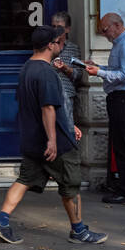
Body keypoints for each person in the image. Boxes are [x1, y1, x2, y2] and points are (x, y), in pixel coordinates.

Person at [0, 26, 107, 246]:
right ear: (50, 45)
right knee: (71, 183)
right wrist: (53, 140)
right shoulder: (46, 72)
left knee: (24, 179)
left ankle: (1, 222)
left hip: (32, 139)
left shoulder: (26, 68)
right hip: (56, 142)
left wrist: (69, 125)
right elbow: (48, 108)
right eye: (60, 43)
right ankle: (79, 231)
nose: (62, 46)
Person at [86, 13, 125, 205]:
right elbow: (117, 69)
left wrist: (100, 72)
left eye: (105, 30)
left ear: (117, 25)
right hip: (122, 98)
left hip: (124, 98)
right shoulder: (121, 44)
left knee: (123, 146)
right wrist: (98, 67)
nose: (104, 34)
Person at [49, 11, 87, 149]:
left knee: (67, 128)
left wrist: (66, 68)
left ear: (67, 29)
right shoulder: (48, 46)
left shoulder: (73, 48)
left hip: (67, 94)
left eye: (59, 27)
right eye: (53, 26)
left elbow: (78, 75)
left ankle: (67, 158)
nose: (55, 30)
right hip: (49, 93)